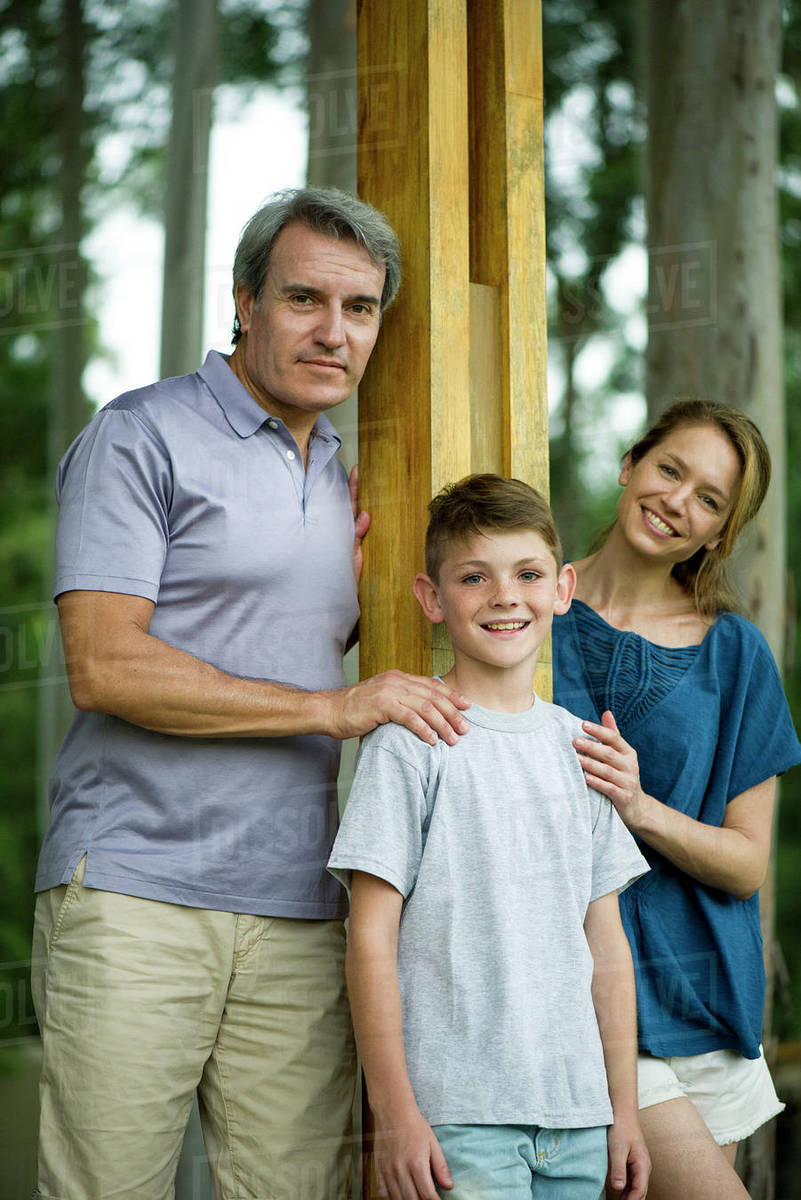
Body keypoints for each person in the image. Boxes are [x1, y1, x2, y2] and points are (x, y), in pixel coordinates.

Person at [31, 187, 471, 1200]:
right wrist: (332, 707)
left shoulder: (343, 475)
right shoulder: (141, 435)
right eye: (305, 299)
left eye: (360, 310)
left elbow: (281, 634)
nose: (334, 331)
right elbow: (103, 663)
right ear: (246, 300)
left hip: (301, 909)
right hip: (138, 897)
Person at [328, 473, 652, 1200]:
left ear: (561, 588)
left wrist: (621, 1111)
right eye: (474, 577)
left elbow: (606, 947)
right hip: (455, 1119)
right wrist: (397, 1115)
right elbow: (370, 940)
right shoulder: (410, 742)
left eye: (527, 574)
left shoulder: (584, 748)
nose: (505, 596)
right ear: (432, 598)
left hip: (576, 1118)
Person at [552, 399, 801, 1200]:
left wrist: (640, 804)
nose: (676, 502)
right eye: (669, 470)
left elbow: (745, 864)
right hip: (585, 988)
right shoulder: (526, 605)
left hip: (701, 992)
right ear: (630, 465)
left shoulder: (736, 654)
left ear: (717, 535)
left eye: (707, 499)